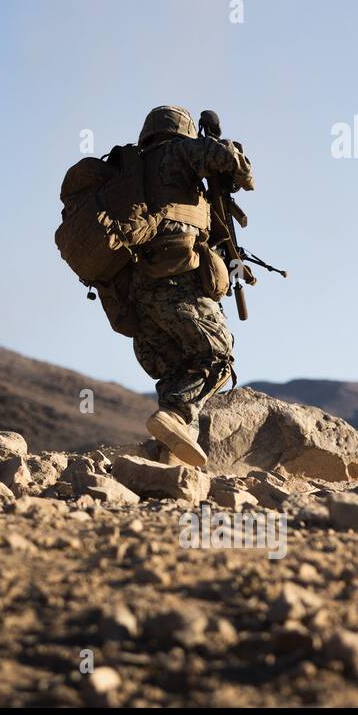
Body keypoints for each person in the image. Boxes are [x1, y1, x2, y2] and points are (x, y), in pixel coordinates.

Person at [128, 105, 254, 465]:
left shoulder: (131, 171)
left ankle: (169, 450)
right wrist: (226, 150)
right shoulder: (178, 152)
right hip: (177, 283)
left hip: (135, 300)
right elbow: (230, 161)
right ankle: (177, 417)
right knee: (218, 355)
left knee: (180, 368)